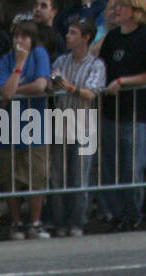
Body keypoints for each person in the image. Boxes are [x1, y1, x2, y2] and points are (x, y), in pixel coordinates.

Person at [99, 0, 146, 227]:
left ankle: (133, 214)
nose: (117, 9)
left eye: (123, 5)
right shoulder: (112, 38)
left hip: (135, 113)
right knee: (110, 167)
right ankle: (115, 215)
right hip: (110, 112)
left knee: (132, 167)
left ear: (136, 10)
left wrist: (123, 82)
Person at [0, 18, 53, 236]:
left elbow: (41, 85)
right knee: (9, 177)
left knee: (36, 175)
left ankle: (35, 222)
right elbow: (5, 92)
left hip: (34, 123)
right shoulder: (5, 61)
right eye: (16, 35)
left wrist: (15, 88)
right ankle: (16, 222)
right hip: (8, 124)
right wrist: (19, 65)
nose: (19, 40)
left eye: (24, 35)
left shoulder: (40, 54)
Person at [49, 17, 106, 233]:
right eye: (68, 32)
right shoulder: (61, 61)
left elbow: (90, 93)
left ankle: (77, 222)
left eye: (73, 33)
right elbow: (51, 82)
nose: (68, 36)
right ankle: (60, 221)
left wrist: (69, 88)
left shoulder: (96, 64)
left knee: (80, 176)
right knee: (58, 175)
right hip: (62, 121)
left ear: (86, 37)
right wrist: (54, 85)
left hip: (84, 122)